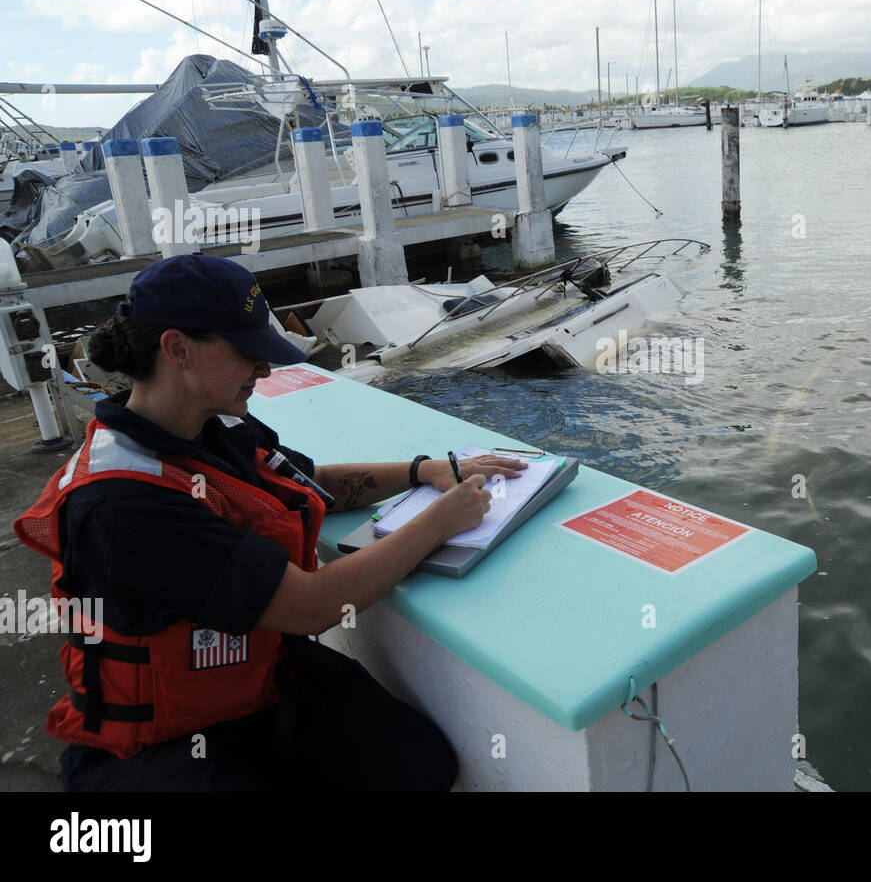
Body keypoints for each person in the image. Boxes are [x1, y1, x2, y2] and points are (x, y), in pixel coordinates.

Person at [13, 253, 527, 791]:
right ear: (177, 349)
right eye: (247, 352)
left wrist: (427, 470)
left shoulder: (210, 427)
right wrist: (436, 524)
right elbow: (311, 607)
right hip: (160, 744)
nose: (264, 369)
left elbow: (311, 480)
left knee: (419, 764)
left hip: (257, 683)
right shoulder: (122, 504)